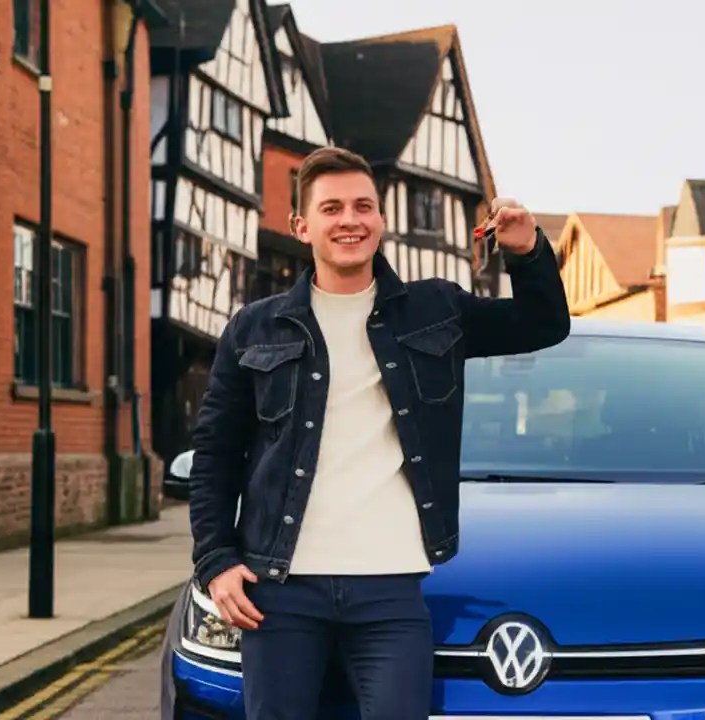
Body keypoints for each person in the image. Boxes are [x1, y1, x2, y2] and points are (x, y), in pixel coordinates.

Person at [186, 146, 570, 719]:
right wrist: (215, 559)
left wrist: (527, 249)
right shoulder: (255, 328)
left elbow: (543, 325)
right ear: (301, 225)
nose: (350, 220)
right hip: (280, 589)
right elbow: (215, 455)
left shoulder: (434, 309)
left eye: (364, 206)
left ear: (381, 221)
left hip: (389, 588)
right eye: (332, 207)